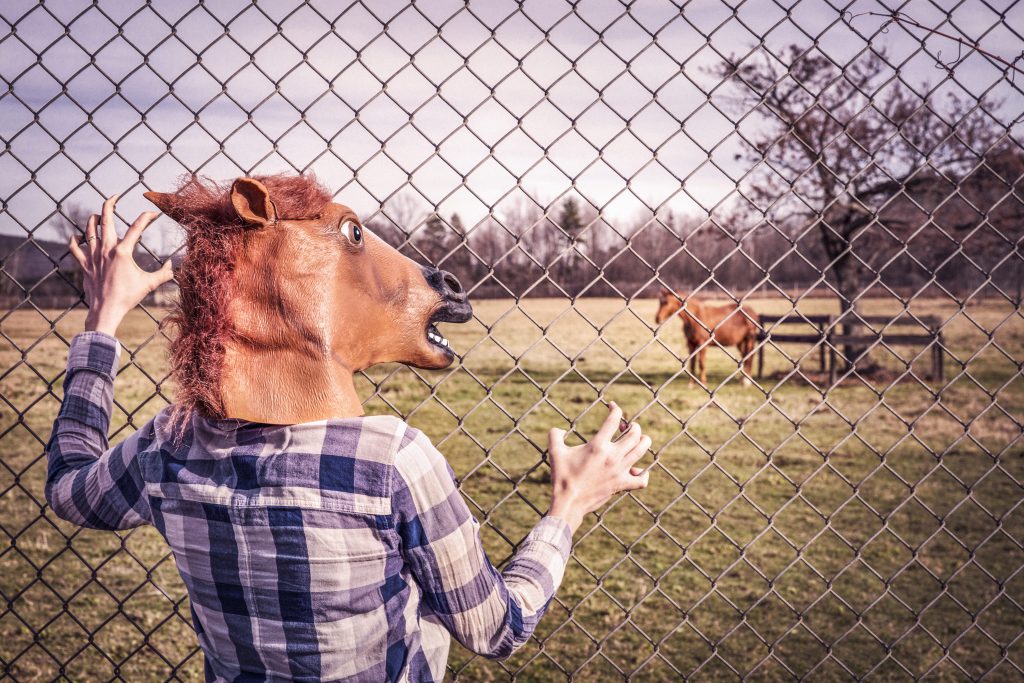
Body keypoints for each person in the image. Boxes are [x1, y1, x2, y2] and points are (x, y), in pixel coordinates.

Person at [46, 194, 651, 681]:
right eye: (352, 237)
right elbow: (496, 630)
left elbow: (71, 488)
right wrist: (568, 507)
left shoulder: (168, 446)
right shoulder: (389, 461)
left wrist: (102, 321)